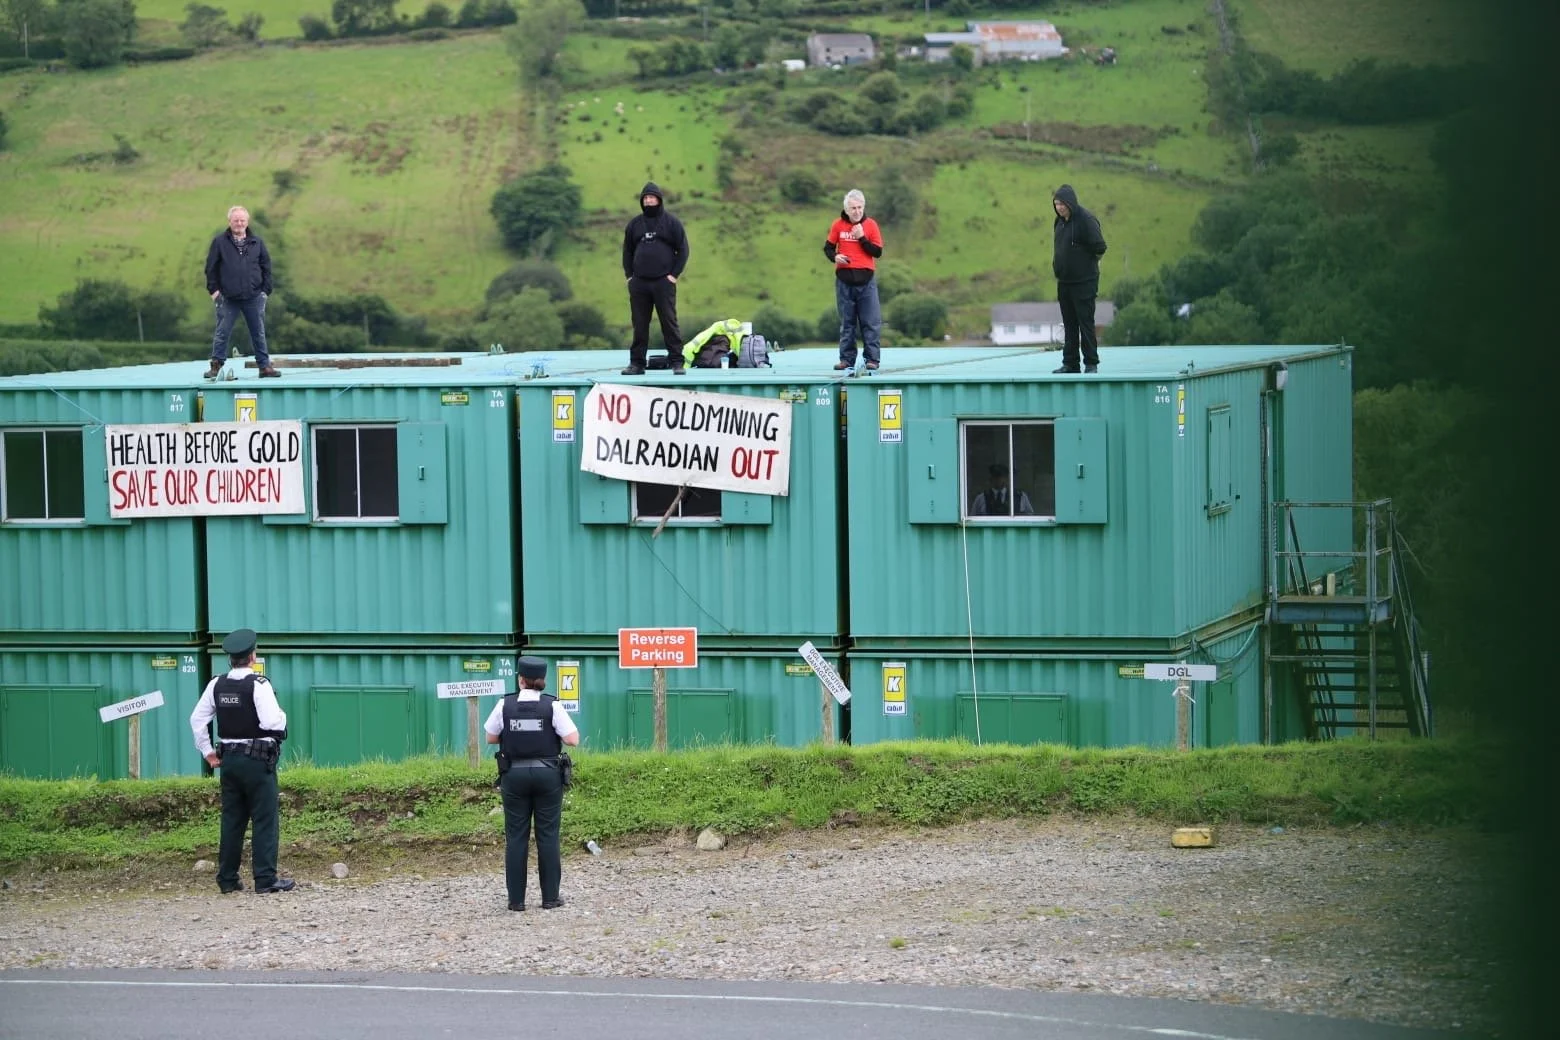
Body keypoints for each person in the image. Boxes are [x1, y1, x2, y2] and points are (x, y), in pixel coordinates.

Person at [188, 628, 295, 894]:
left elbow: (197, 719)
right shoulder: (259, 685)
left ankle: (227, 879)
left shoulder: (216, 684)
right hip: (258, 762)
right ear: (253, 657)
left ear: (230, 659)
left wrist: (207, 752)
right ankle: (265, 879)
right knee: (264, 818)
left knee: (232, 820)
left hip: (229, 762)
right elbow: (271, 722)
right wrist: (282, 716)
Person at [485, 655, 580, 912]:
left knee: (516, 837)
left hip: (513, 775)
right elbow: (572, 739)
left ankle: (516, 901)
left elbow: (490, 737)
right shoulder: (552, 706)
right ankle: (550, 898)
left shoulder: (504, 704)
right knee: (548, 835)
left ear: (521, 680)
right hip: (548, 775)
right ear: (543, 680)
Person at [621, 182, 689, 376]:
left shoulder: (672, 223)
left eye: (652, 197)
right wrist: (629, 276)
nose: (649, 201)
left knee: (669, 322)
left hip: (663, 282)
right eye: (646, 198)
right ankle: (637, 364)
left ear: (659, 200)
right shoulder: (634, 224)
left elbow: (683, 249)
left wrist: (673, 275)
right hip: (639, 283)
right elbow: (627, 251)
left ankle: (677, 362)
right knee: (639, 324)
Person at [205, 206, 280, 379]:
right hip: (227, 298)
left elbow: (266, 267)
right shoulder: (219, 242)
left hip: (254, 296)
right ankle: (216, 367)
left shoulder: (257, 242)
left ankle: (264, 367)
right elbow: (211, 268)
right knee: (222, 332)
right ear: (229, 222)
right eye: (236, 220)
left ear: (247, 222)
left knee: (258, 332)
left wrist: (265, 291)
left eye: (242, 220)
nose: (239, 223)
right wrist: (214, 292)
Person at [824, 189, 884, 371]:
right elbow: (828, 248)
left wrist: (862, 238)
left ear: (863, 207)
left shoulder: (871, 225)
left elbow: (877, 252)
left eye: (859, 207)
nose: (857, 211)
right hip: (844, 281)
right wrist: (835, 257)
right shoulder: (838, 225)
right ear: (846, 210)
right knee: (847, 323)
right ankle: (846, 360)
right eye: (853, 208)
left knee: (870, 321)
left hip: (866, 282)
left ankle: (872, 359)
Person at [1050, 184, 1108, 374]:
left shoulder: (1086, 220)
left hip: (1084, 282)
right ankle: (1070, 363)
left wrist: (1086, 266)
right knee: (1069, 325)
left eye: (1062, 204)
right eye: (1056, 204)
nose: (1059, 208)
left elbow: (1100, 247)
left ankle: (1091, 364)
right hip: (1064, 282)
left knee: (1086, 323)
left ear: (1071, 203)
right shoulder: (1059, 222)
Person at [971, 463, 1035, 517]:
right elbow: (973, 518)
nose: (998, 479)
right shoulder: (981, 498)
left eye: (1001, 476)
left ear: (1006, 478)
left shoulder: (1020, 496)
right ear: (991, 478)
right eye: (995, 476)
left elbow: (1030, 517)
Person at [682, 316, 746, 368]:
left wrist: (685, 368)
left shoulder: (708, 333)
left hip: (697, 366)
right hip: (718, 366)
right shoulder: (737, 338)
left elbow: (688, 349)